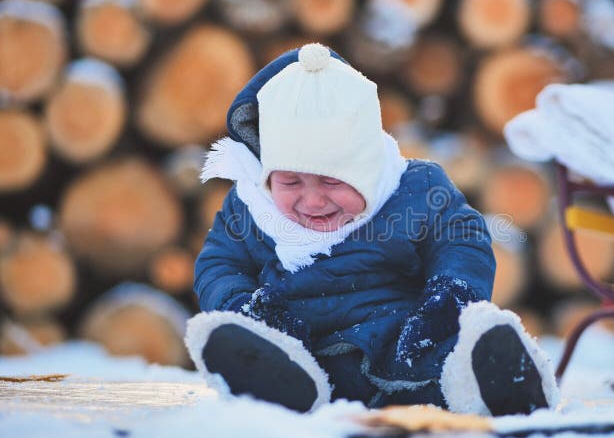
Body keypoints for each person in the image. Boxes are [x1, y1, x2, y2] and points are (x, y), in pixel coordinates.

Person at [185, 43, 558, 415]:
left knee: (451, 361)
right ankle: (276, 384)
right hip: (304, 356)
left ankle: (495, 383)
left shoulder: (415, 190)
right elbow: (219, 265)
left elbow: (461, 239)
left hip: (408, 348)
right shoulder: (250, 208)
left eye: (332, 182)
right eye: (291, 182)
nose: (312, 201)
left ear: (365, 168)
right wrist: (244, 306)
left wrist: (450, 295)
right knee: (270, 362)